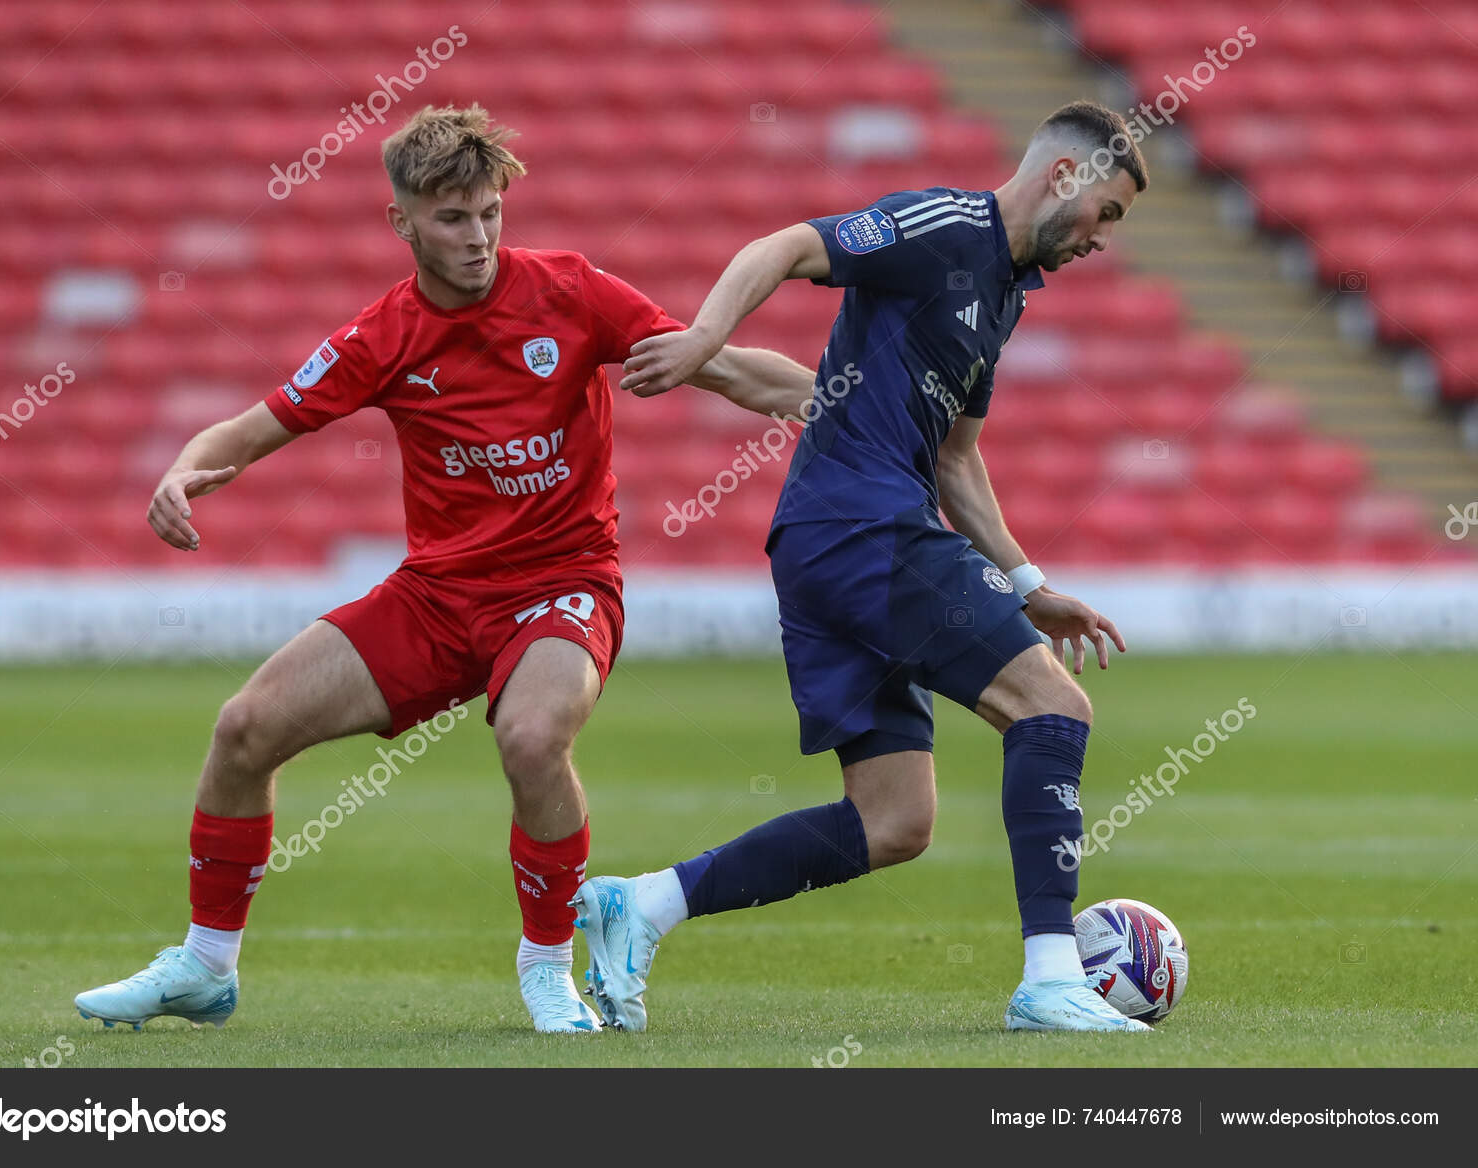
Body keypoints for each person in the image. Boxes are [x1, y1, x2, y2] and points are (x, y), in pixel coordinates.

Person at [73, 103, 814, 1034]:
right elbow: (253, 428)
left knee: (533, 738)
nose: (478, 237)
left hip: (564, 583)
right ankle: (205, 966)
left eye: (490, 213)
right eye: (453, 218)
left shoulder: (572, 291)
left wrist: (853, 404)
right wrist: (183, 470)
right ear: (403, 222)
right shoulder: (382, 336)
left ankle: (548, 968)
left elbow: (730, 369)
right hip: (436, 597)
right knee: (244, 729)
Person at [573, 101, 1154, 1033]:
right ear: (1064, 177)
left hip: (835, 544)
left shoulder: (1003, 293)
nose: (1102, 239)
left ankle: (641, 906)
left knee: (893, 822)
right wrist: (705, 340)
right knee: (1052, 708)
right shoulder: (944, 227)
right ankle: (1052, 978)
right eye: (1107, 213)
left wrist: (1029, 586)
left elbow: (955, 460)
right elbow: (785, 247)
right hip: (860, 530)